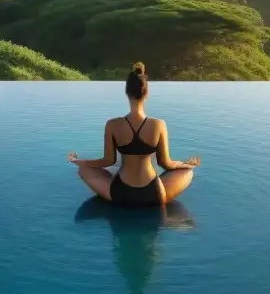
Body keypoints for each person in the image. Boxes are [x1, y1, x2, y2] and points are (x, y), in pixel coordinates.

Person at [68, 62, 199, 207]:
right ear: (146, 93)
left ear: (127, 94)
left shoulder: (113, 124)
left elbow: (108, 161)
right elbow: (166, 163)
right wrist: (186, 164)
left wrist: (82, 162)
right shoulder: (158, 125)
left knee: (84, 170)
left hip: (120, 193)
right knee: (187, 173)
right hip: (153, 194)